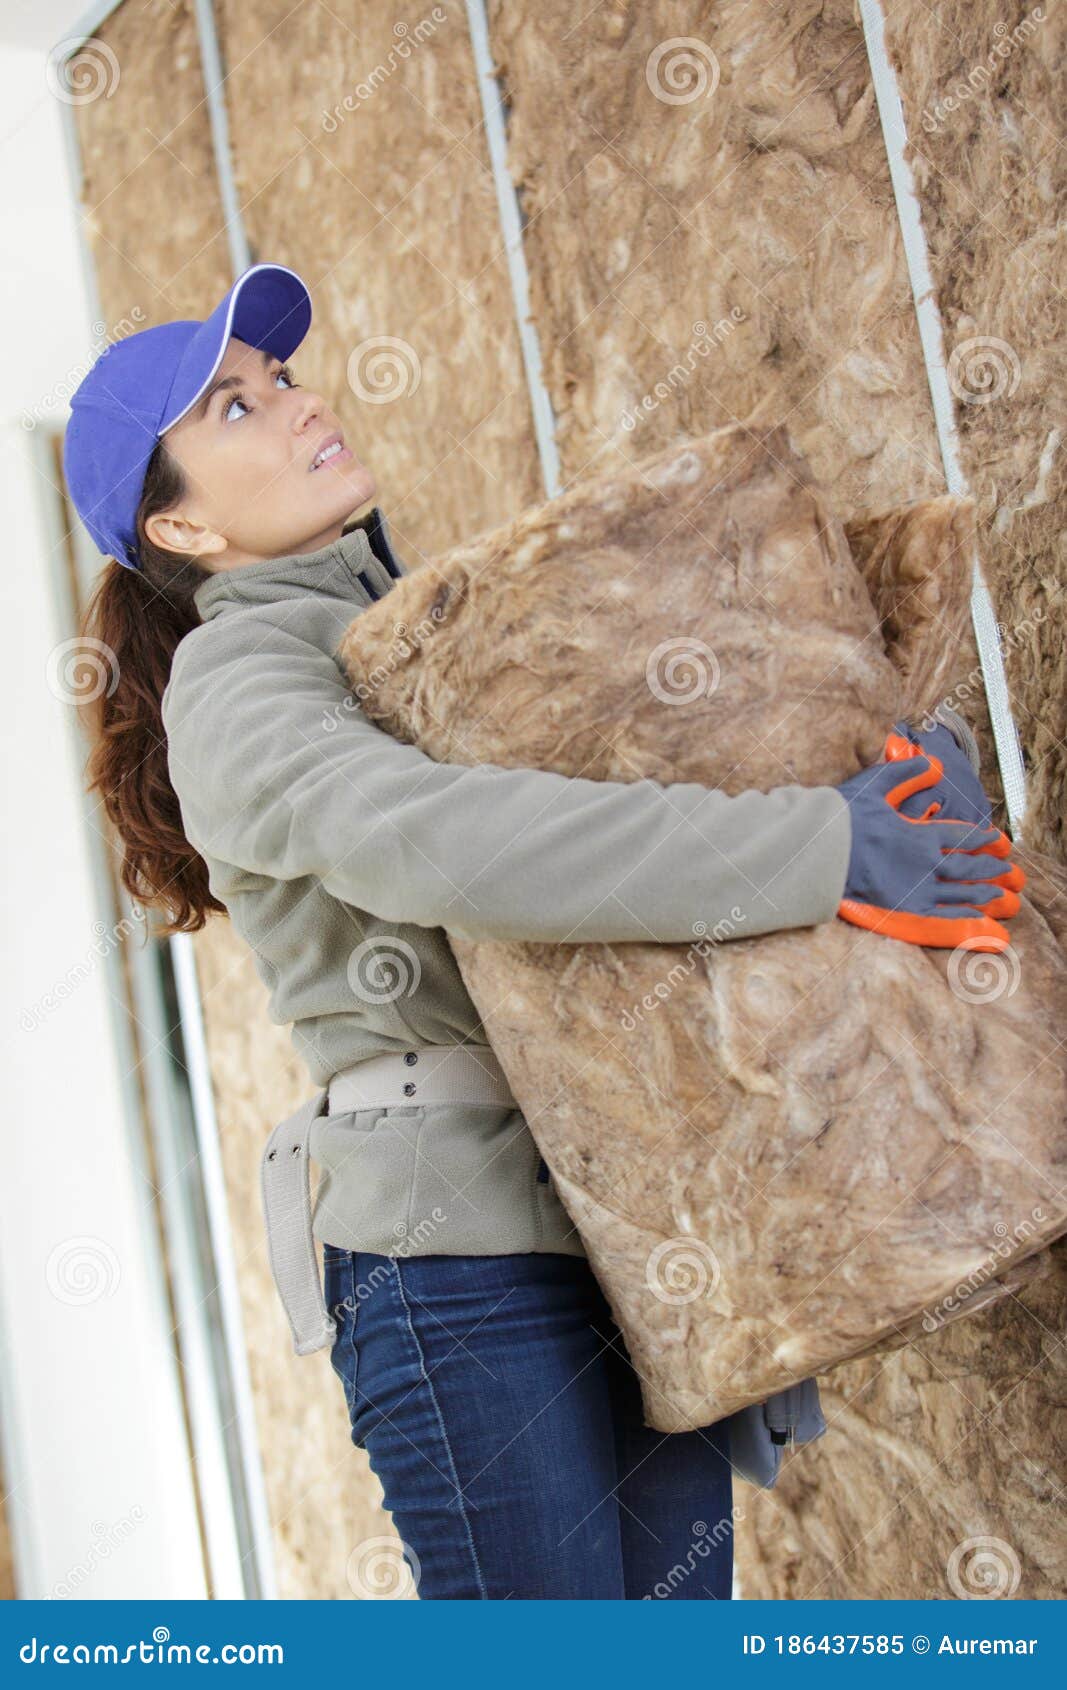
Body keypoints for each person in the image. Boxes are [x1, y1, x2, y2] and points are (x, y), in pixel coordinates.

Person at [63, 264, 1016, 1601]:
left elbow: (637, 814)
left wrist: (881, 756)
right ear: (183, 530)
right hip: (453, 1262)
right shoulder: (235, 682)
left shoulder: (413, 631)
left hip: (616, 1223)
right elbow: (453, 842)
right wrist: (828, 849)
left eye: (280, 377)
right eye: (233, 409)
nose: (294, 401)